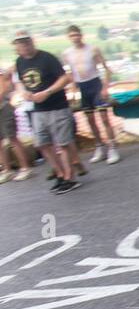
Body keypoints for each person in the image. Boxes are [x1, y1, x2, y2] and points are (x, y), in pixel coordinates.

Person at [12, 31, 79, 193]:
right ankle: (60, 174)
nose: (24, 46)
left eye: (26, 42)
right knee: (43, 144)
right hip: (38, 109)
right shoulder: (20, 62)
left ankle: (69, 178)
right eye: (20, 43)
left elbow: (64, 78)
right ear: (16, 46)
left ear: (32, 42)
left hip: (57, 106)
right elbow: (20, 82)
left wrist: (47, 92)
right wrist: (24, 92)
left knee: (63, 143)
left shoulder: (47, 58)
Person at [62, 25, 119, 163]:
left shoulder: (92, 49)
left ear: (81, 35)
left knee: (104, 118)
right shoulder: (67, 54)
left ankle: (112, 147)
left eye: (77, 34)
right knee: (90, 120)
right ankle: (99, 146)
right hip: (82, 86)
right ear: (68, 37)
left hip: (95, 84)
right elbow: (69, 73)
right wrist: (73, 89)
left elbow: (106, 69)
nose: (75, 38)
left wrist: (105, 88)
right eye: (72, 35)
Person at [0, 68, 34, 183]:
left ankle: (25, 168)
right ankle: (6, 170)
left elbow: (3, 87)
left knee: (12, 139)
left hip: (3, 108)